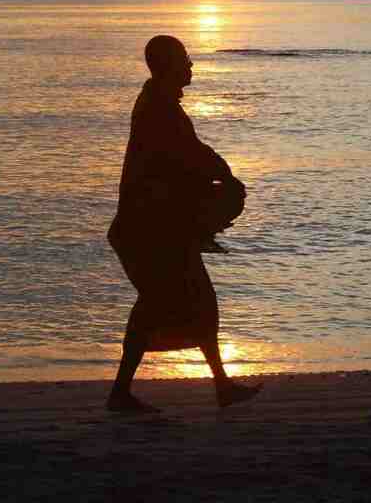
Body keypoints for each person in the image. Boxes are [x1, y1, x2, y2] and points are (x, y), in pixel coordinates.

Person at [107, 35, 261, 412]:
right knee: (158, 307)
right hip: (149, 230)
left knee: (194, 304)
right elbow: (186, 157)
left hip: (160, 227)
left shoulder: (159, 103)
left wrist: (218, 178)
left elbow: (188, 159)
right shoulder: (159, 108)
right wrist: (224, 179)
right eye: (185, 60)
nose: (191, 66)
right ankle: (121, 394)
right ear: (168, 66)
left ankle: (220, 386)